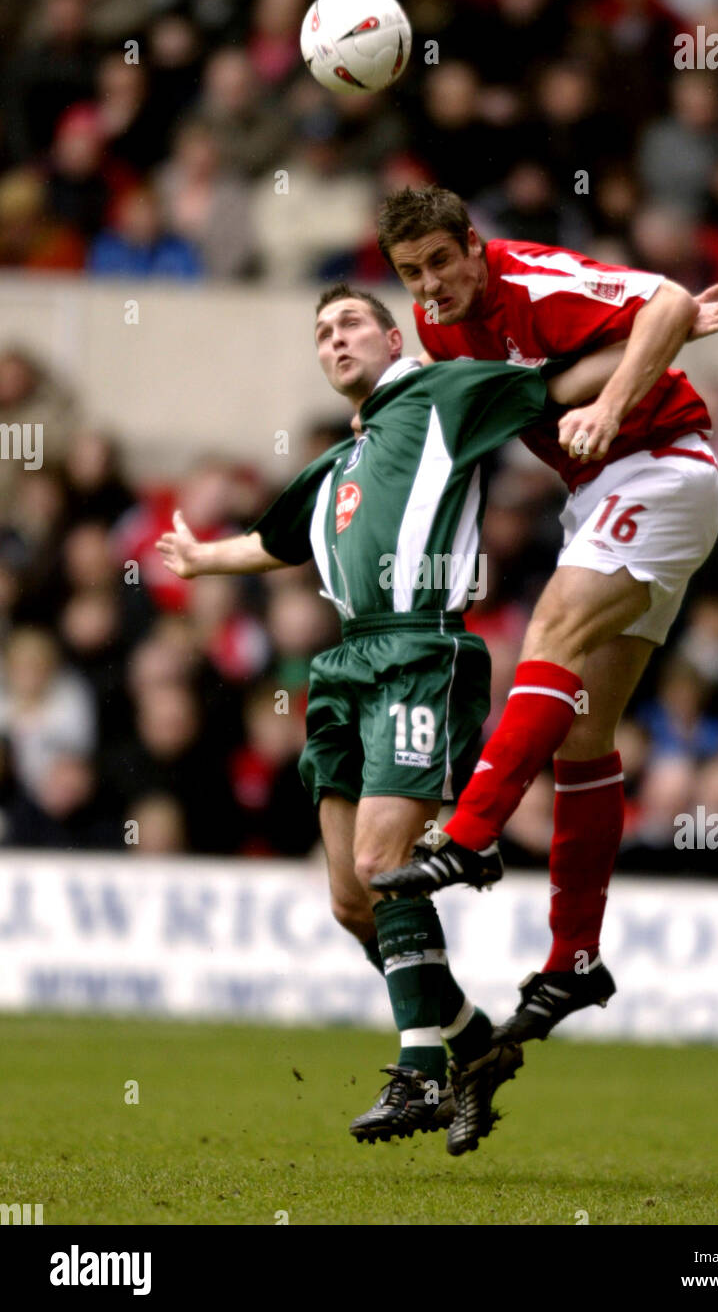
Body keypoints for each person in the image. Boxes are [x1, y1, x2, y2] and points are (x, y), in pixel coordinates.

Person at [156, 283, 608, 1152]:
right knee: (351, 900)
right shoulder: (336, 465)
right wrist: (201, 558)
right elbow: (276, 541)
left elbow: (555, 386)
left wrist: (658, 337)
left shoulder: (443, 395)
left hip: (419, 650)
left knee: (382, 862)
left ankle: (422, 1072)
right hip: (345, 664)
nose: (334, 338)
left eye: (350, 322)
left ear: (392, 335)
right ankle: (477, 1048)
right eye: (321, 331)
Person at [371, 186, 718, 1069]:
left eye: (440, 264)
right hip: (604, 495)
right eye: (411, 274)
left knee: (548, 637)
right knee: (585, 735)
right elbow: (532, 394)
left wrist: (614, 401)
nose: (430, 286)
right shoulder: (443, 331)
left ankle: (469, 835)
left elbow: (669, 299)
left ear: (474, 246)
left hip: (659, 467)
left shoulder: (529, 278)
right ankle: (574, 959)